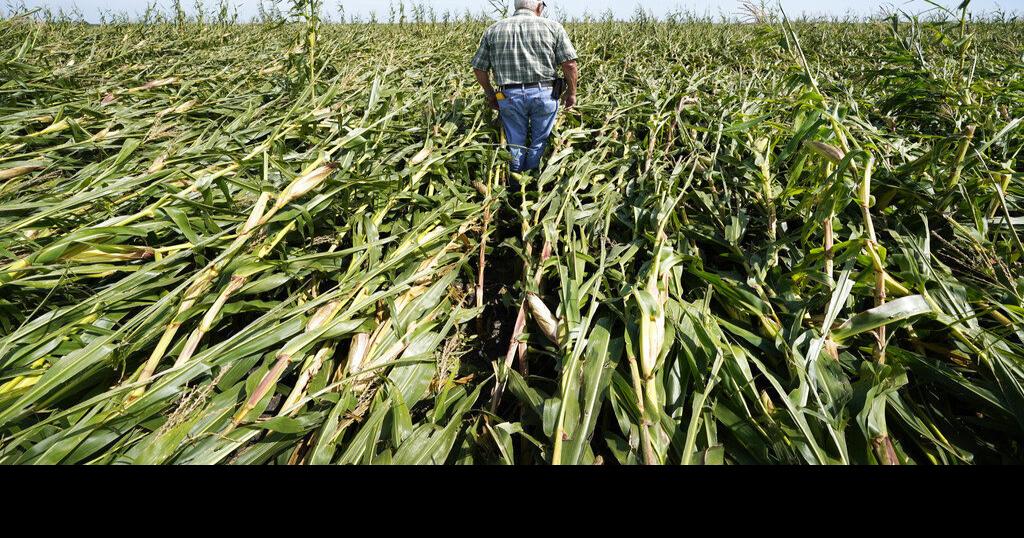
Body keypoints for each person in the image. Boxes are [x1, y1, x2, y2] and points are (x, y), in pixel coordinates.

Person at [471, 0, 578, 173]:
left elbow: (479, 68)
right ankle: (533, 180)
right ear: (539, 7)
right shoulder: (553, 27)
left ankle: (515, 183)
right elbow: (570, 65)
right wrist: (571, 92)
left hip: (508, 94)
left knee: (515, 142)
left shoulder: (494, 30)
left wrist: (491, 94)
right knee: (540, 140)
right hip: (545, 93)